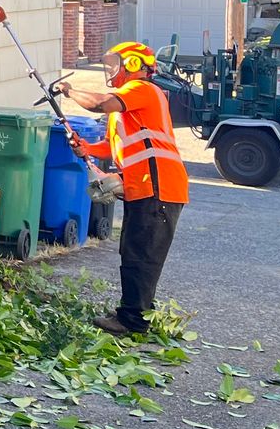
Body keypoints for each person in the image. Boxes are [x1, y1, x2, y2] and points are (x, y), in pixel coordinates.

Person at [60, 40, 189, 337]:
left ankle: (133, 321)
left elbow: (100, 103)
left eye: (114, 64)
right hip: (143, 188)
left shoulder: (142, 90)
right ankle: (134, 312)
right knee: (133, 252)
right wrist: (87, 147)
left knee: (143, 255)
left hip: (159, 187)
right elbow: (112, 147)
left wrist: (69, 91)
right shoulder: (124, 107)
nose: (110, 70)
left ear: (132, 65)